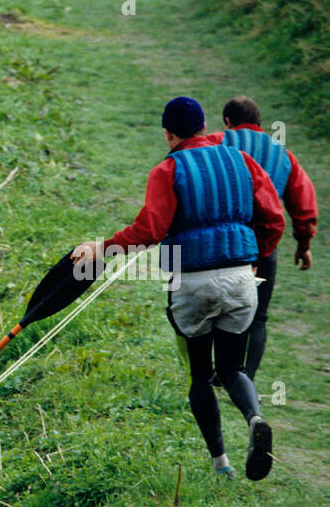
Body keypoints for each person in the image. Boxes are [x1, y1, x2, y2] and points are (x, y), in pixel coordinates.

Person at [70, 97, 285, 481]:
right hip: (240, 279)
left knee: (201, 375)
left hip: (192, 283)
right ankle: (255, 418)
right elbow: (273, 218)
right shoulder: (244, 161)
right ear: (205, 127)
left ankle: (222, 464)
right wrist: (257, 256)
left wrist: (101, 249)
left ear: (168, 134)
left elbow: (150, 231)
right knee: (234, 368)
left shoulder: (167, 169)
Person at [204, 95, 319, 379]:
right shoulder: (283, 155)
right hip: (263, 243)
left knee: (216, 308)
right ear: (260, 123)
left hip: (221, 240)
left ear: (228, 122)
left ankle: (217, 368)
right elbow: (304, 209)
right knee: (257, 316)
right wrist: (304, 246)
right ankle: (245, 377)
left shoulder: (217, 141)